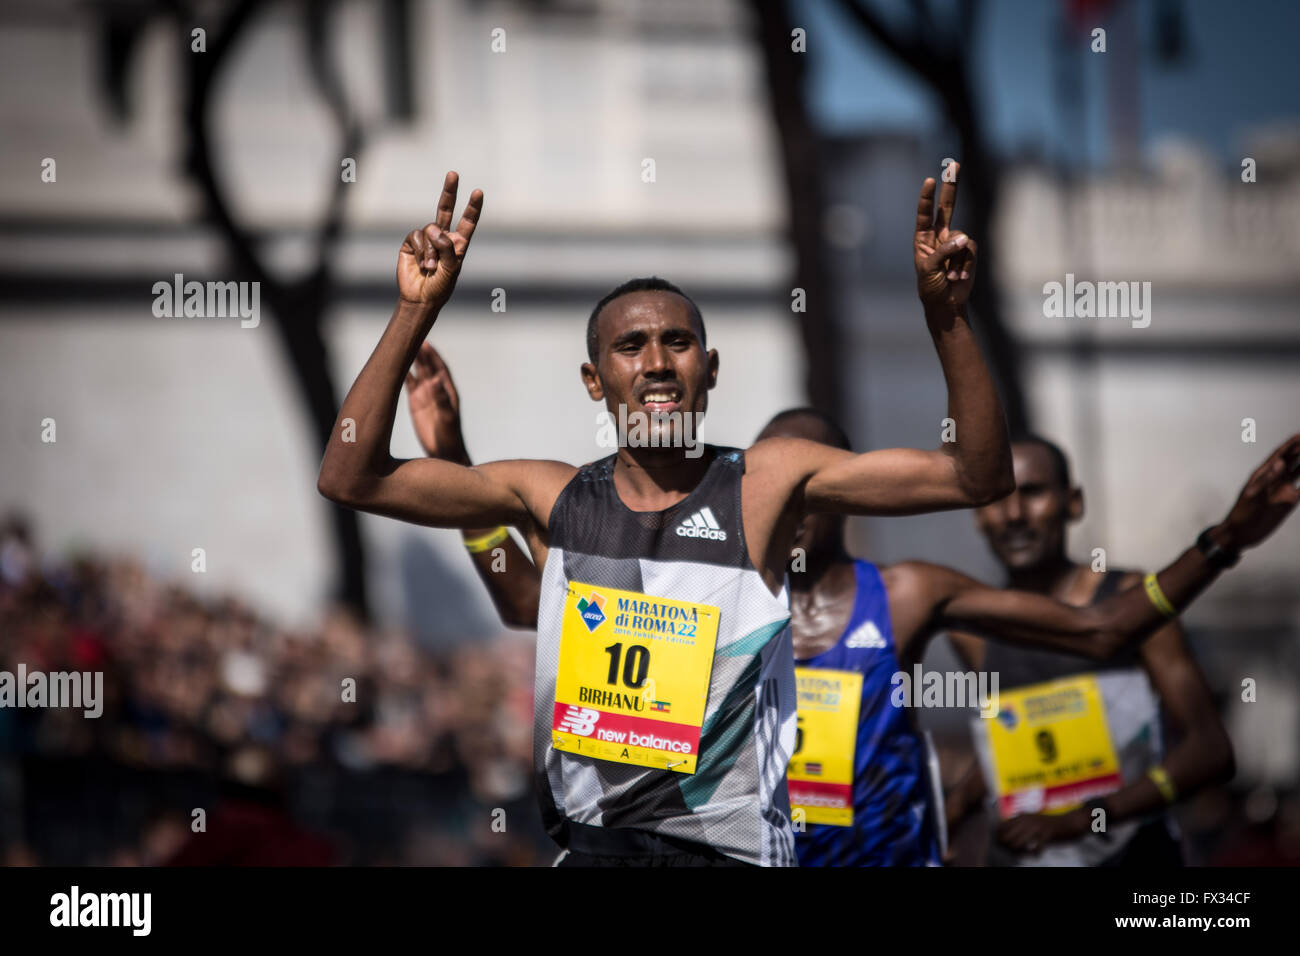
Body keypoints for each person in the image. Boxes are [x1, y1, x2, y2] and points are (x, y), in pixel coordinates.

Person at [320, 164, 1017, 866]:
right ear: (595, 381)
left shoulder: (763, 483)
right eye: (630, 347)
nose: (656, 362)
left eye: (677, 343)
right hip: (598, 848)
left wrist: (947, 318)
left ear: (710, 369)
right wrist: (415, 310)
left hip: (728, 854)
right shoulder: (552, 495)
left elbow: (976, 474)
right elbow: (353, 475)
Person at [402, 359, 1300, 866]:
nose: (796, 507)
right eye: (776, 487)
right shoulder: (702, 605)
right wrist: (461, 467)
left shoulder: (904, 593)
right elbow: (530, 604)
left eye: (816, 484)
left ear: (847, 493)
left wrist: (1229, 538)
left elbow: (1106, 631)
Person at [941, 436, 1271, 865]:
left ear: (1073, 502)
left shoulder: (1133, 600)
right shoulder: (973, 630)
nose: (1014, 514)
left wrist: (1087, 819)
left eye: (1034, 493)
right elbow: (1019, 750)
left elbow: (1209, 752)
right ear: (977, 516)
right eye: (996, 499)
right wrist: (949, 814)